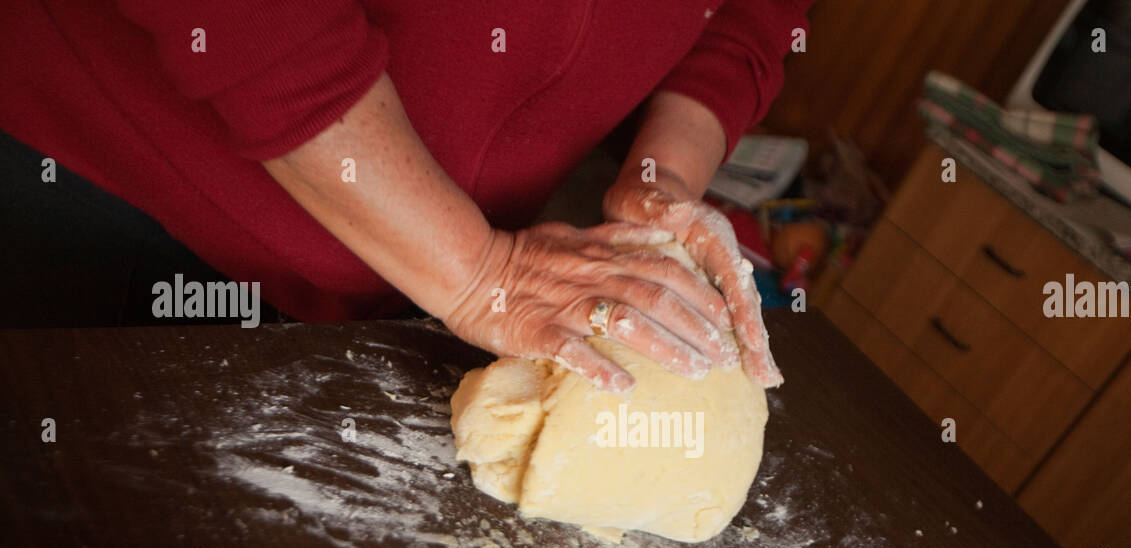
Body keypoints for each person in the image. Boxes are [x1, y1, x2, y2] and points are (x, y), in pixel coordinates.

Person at [0, 1, 811, 390]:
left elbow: (753, 16)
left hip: (416, 282)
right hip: (99, 190)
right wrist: (475, 270)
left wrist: (658, 184)